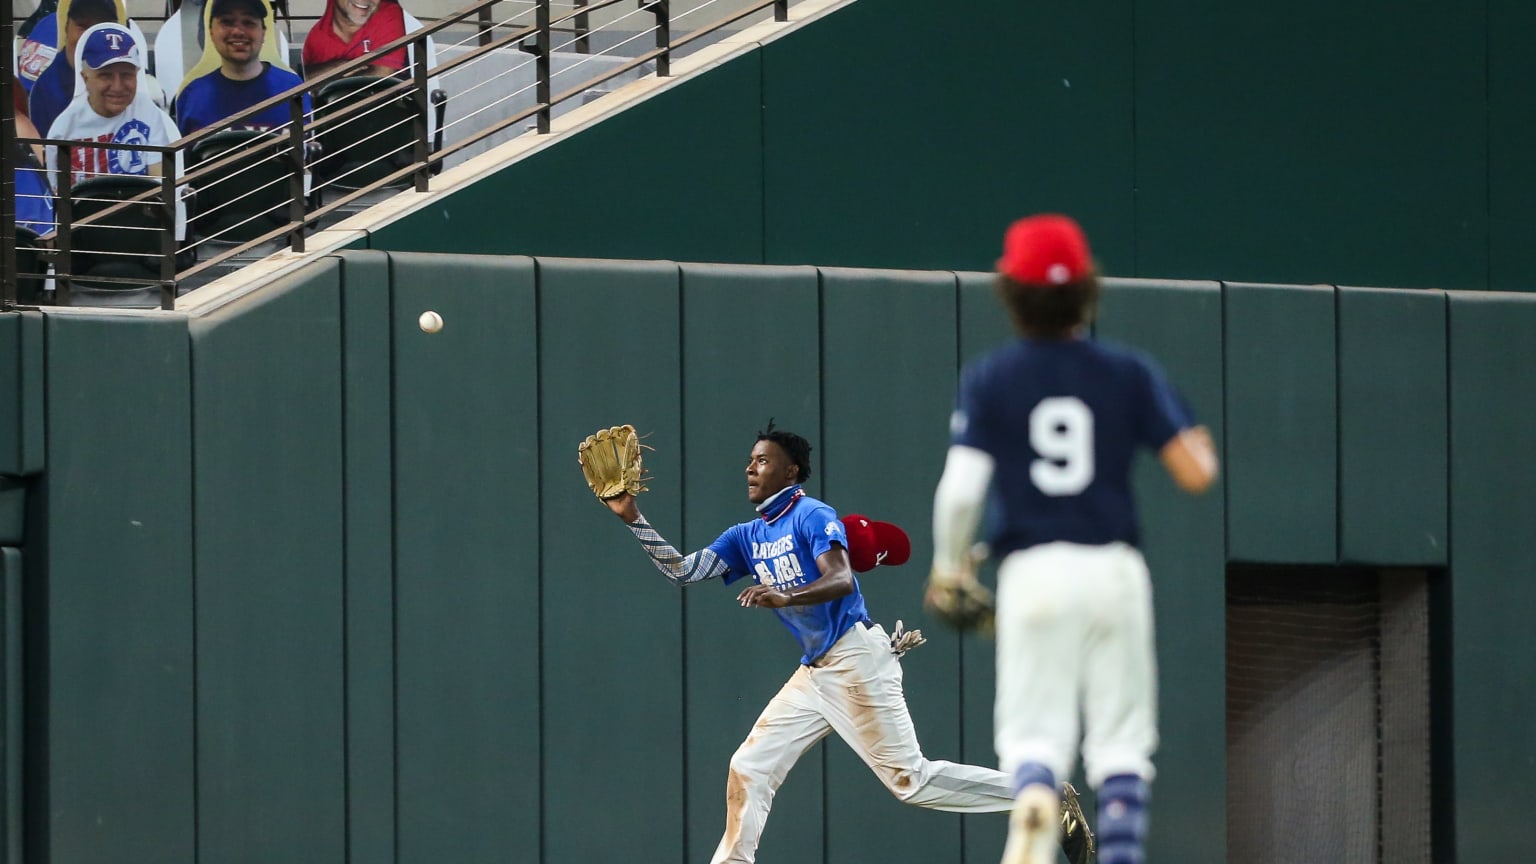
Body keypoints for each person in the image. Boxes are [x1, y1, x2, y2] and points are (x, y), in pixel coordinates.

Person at [595, 421, 1091, 864]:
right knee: (749, 764)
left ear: (791, 472)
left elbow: (841, 579)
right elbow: (683, 571)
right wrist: (632, 518)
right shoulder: (746, 535)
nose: (750, 467)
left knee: (910, 781)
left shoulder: (812, 515)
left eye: (762, 460)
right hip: (816, 673)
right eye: (749, 459)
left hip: (856, 661)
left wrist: (783, 595)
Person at [927, 214, 1219, 864]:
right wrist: (1199, 440)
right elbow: (1194, 474)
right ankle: (1118, 853)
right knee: (1120, 742)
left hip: (1032, 572)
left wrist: (949, 569)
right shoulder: (1128, 371)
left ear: (1010, 291)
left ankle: (1033, 796)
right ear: (1088, 288)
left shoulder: (991, 377)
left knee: (1034, 735)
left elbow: (962, 491)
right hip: (1112, 569)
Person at [44, 23, 182, 188]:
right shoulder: (63, 129)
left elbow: (160, 184)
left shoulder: (148, 112)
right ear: (85, 78)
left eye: (126, 75)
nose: (117, 86)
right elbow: (59, 198)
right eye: (106, 75)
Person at [173, 0, 309, 134]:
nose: (238, 31)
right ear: (211, 32)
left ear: (263, 32)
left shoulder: (293, 89)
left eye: (248, 22)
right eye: (227, 22)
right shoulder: (191, 96)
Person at [24, 0, 151, 137]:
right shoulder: (47, 88)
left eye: (102, 25)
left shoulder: (142, 80)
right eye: (83, 26)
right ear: (66, 29)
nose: (92, 34)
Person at [300, 0, 407, 79]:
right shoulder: (314, 26)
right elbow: (300, 81)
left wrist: (325, 74)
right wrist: (340, 66)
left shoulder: (388, 13)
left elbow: (380, 77)